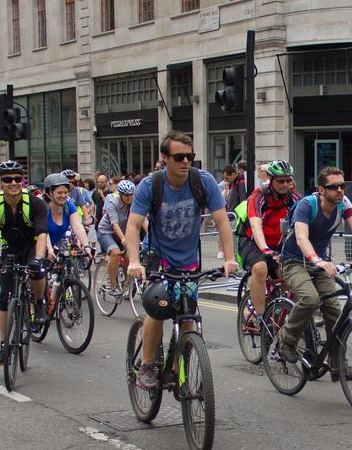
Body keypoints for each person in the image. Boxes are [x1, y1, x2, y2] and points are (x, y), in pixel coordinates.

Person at [125, 131, 238, 390]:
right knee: (159, 308)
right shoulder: (151, 185)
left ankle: (179, 371)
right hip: (158, 256)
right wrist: (134, 261)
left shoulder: (203, 182)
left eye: (190, 156)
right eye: (179, 157)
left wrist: (230, 259)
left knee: (188, 316)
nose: (185, 161)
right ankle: (148, 363)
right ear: (165, 158)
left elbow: (222, 222)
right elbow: (133, 226)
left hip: (188, 260)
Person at [273, 166, 352, 369]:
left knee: (334, 310)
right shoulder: (306, 205)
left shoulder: (344, 204)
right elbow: (301, 237)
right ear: (321, 189)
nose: (340, 190)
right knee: (310, 299)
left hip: (321, 263)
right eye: (334, 187)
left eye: (342, 185)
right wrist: (317, 260)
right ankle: (286, 339)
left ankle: (338, 366)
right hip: (294, 261)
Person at [0, 160, 48, 365]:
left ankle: (38, 303)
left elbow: (42, 233)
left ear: (22, 180)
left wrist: (38, 258)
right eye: (8, 180)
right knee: (4, 298)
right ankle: (4, 346)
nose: (13, 183)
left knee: (37, 272)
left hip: (31, 246)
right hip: (10, 250)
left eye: (18, 179)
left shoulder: (36, 203)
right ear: (0, 182)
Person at [238, 160, 300, 333]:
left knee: (291, 272)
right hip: (251, 241)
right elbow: (255, 224)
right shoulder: (258, 196)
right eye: (281, 181)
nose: (285, 184)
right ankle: (261, 318)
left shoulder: (293, 197)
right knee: (260, 268)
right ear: (271, 180)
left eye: (288, 180)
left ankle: (283, 308)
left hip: (278, 244)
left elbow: (305, 223)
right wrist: (265, 250)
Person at [96, 179, 138, 296]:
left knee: (129, 256)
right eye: (127, 195)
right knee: (115, 253)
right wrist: (123, 239)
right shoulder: (112, 203)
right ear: (121, 194)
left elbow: (142, 220)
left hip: (122, 233)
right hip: (106, 232)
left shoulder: (134, 204)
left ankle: (126, 283)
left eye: (131, 194)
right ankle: (113, 286)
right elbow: (114, 224)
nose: (130, 197)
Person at [41, 173, 93, 264]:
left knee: (69, 265)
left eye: (66, 192)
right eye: (59, 193)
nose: (63, 196)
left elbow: (77, 226)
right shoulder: (42, 206)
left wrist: (86, 246)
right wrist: (49, 249)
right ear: (50, 193)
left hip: (59, 243)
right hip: (41, 243)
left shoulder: (68, 204)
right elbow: (43, 232)